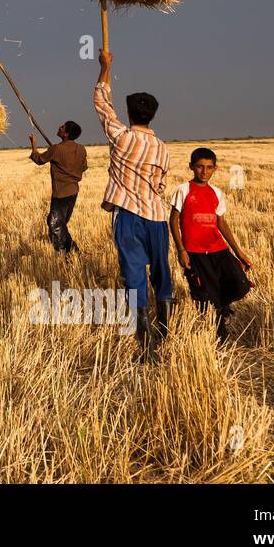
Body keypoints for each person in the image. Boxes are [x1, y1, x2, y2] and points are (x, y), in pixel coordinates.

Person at [94, 50, 172, 357]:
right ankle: (165, 328)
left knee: (134, 271)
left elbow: (101, 104)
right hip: (156, 217)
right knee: (161, 271)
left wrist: (106, 68)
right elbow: (162, 184)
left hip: (128, 216)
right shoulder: (163, 148)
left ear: (129, 114)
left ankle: (145, 337)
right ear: (152, 115)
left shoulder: (121, 138)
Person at [169, 148, 253, 343]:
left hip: (219, 248)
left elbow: (221, 223)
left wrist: (238, 252)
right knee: (207, 292)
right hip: (195, 252)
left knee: (240, 286)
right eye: (199, 167)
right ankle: (219, 333)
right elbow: (173, 220)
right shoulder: (183, 190)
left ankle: (220, 306)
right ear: (191, 167)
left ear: (215, 169)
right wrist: (181, 250)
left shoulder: (217, 193)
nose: (204, 172)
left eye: (209, 168)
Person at [28, 121, 88, 254]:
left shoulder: (56, 149)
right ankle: (72, 251)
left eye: (62, 127)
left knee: (54, 224)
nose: (59, 128)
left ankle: (65, 252)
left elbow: (39, 159)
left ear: (66, 134)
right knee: (60, 223)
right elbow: (84, 167)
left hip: (61, 193)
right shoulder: (81, 149)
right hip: (73, 191)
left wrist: (34, 145)